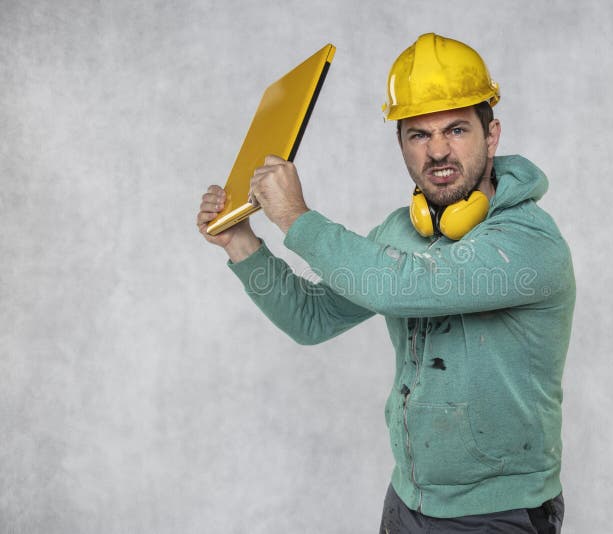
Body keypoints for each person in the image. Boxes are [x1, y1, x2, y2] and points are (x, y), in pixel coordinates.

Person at [196, 33, 574, 534]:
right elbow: (314, 318)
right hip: (408, 501)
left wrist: (295, 217)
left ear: (492, 135)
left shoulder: (528, 239)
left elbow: (401, 286)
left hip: (497, 513)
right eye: (418, 134)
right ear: (401, 145)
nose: (438, 150)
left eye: (456, 129)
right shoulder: (403, 231)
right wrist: (241, 243)